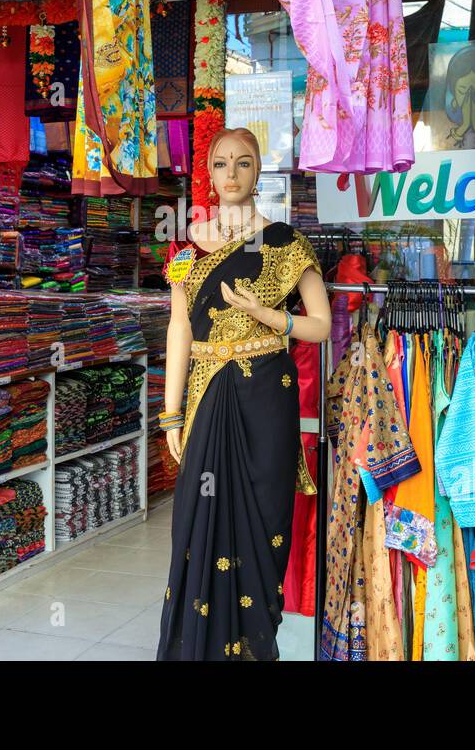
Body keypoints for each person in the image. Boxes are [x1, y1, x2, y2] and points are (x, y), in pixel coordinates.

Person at [155, 127, 332, 660]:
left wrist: (267, 315)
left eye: (244, 163)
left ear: (259, 172)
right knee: (196, 523)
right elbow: (179, 331)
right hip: (208, 398)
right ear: (207, 172)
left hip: (267, 403)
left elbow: (320, 325)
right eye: (221, 164)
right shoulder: (188, 245)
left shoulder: (283, 242)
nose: (231, 175)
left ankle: (256, 647)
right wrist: (170, 414)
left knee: (265, 526)